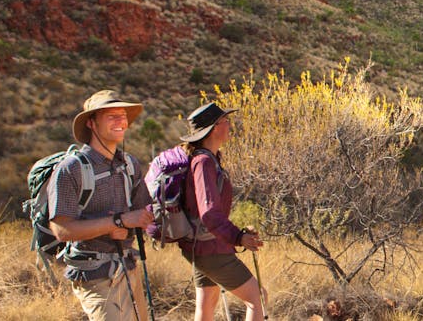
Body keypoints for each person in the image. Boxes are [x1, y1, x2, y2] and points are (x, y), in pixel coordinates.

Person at [48, 89, 156, 321]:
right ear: (91, 123)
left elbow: (142, 212)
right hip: (94, 276)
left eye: (123, 115)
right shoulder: (71, 169)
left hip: (128, 268)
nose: (121, 122)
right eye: (111, 116)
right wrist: (116, 222)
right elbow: (62, 230)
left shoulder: (130, 165)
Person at [177, 101, 266, 321]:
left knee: (206, 303)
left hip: (200, 245)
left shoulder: (207, 159)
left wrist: (237, 233)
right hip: (211, 247)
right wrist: (238, 237)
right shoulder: (204, 162)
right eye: (226, 121)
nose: (229, 126)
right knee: (257, 298)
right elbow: (209, 214)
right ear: (215, 128)